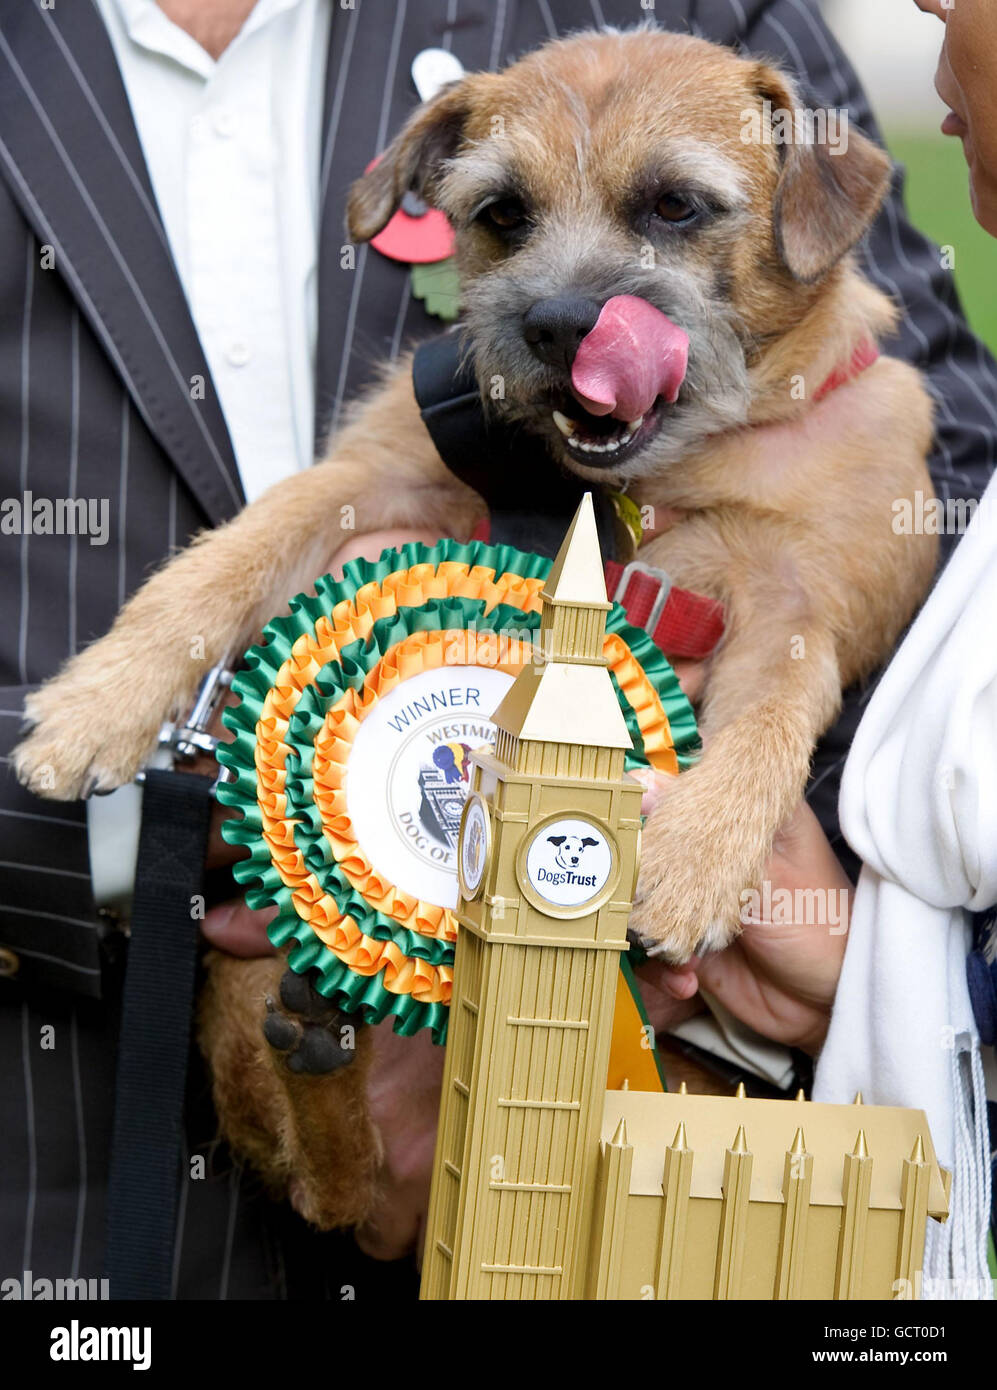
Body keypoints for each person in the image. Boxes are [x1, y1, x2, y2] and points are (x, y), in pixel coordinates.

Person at [1, 0, 995, 1300]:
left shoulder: (704, 31)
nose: (568, 297)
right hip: (80, 1180)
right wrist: (187, 826)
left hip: (636, 1155)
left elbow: (956, 537)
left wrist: (828, 937)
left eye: (673, 212)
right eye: (507, 220)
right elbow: (345, 496)